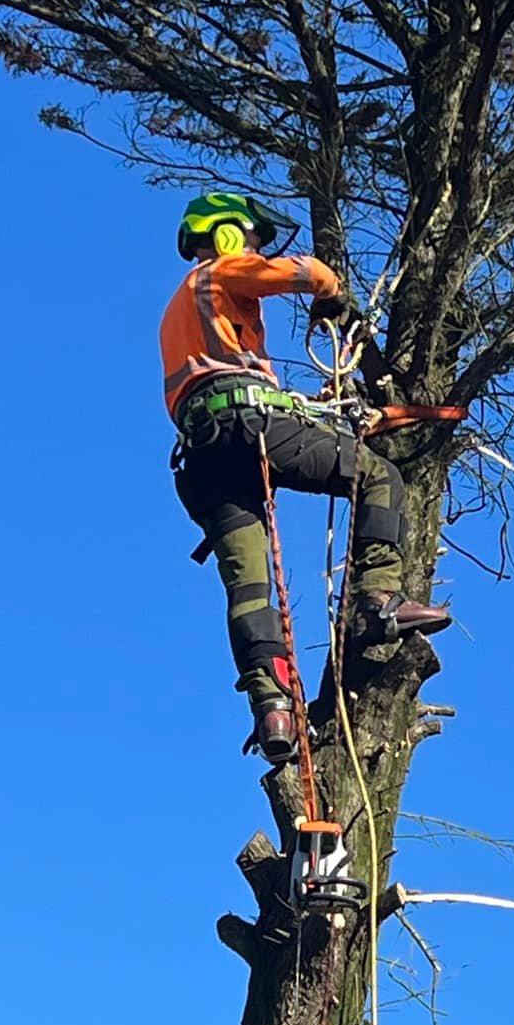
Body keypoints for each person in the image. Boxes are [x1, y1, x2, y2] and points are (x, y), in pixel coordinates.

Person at [161, 190, 449, 761]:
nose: (256, 249)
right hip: (248, 429)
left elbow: (222, 385)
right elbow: (310, 273)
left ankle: (274, 708)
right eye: (251, 238)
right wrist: (332, 295)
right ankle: (376, 600)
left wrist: (316, 408)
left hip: (203, 458)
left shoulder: (182, 314)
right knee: (378, 476)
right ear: (225, 234)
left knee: (249, 585)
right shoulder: (217, 274)